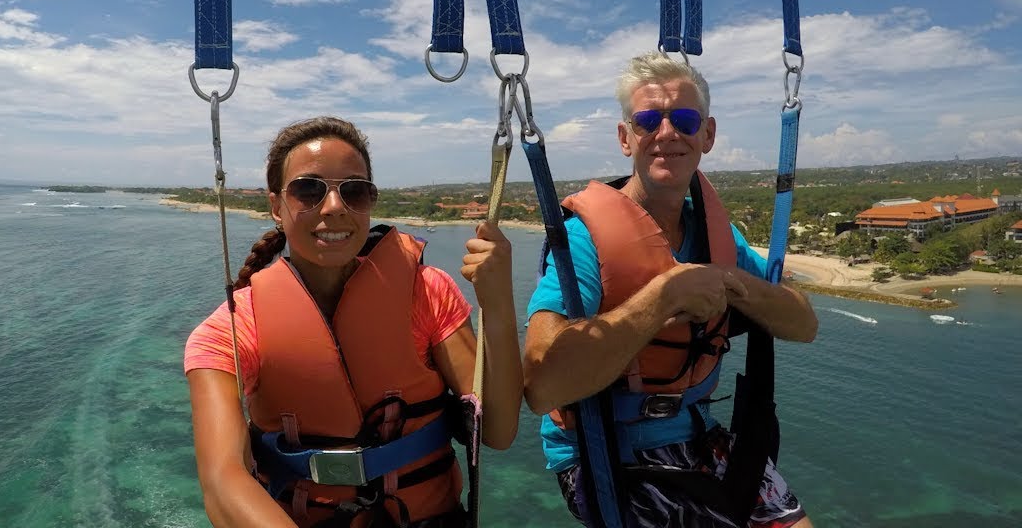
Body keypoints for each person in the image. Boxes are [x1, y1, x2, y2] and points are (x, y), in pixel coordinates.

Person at [523, 52, 818, 528]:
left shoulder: (718, 236)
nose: (666, 134)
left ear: (708, 135)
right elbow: (541, 386)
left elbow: (804, 324)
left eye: (684, 119)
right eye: (646, 121)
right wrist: (665, 296)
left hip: (700, 435)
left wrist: (735, 283)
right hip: (607, 450)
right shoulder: (585, 241)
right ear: (626, 138)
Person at [186, 116, 522, 527]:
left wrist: (499, 304)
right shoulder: (232, 329)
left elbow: (499, 432)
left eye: (355, 192)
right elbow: (223, 480)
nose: (334, 207)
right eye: (308, 190)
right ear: (276, 206)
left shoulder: (427, 293)